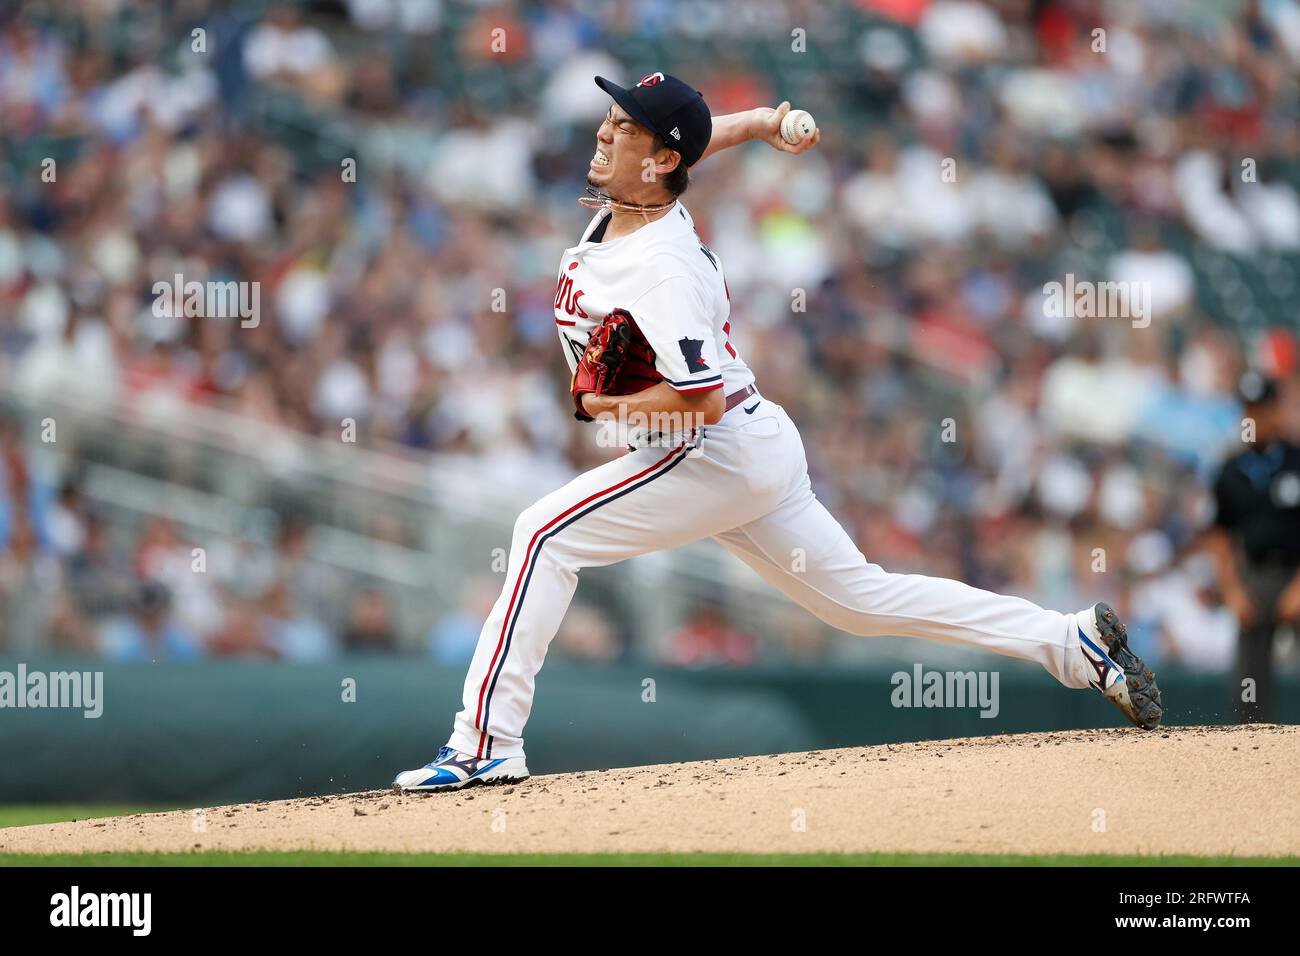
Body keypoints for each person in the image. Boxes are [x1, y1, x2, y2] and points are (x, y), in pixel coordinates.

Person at [394, 73, 1162, 791]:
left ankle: (485, 744)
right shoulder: (640, 197)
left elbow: (698, 404)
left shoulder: (663, 269)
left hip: (710, 449)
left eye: (622, 127)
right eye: (611, 118)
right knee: (860, 603)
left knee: (541, 535)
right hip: (751, 448)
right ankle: (1070, 642)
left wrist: (601, 407)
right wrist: (759, 123)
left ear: (658, 161)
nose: (603, 132)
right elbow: (694, 141)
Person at [1204, 372, 1300, 722]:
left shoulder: (1295, 460)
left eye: (1260, 410)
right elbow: (1220, 536)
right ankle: (1251, 753)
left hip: (1295, 573)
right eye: (1247, 410)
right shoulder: (1231, 470)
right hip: (1255, 577)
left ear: (1276, 411)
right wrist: (1232, 590)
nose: (1252, 419)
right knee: (1248, 687)